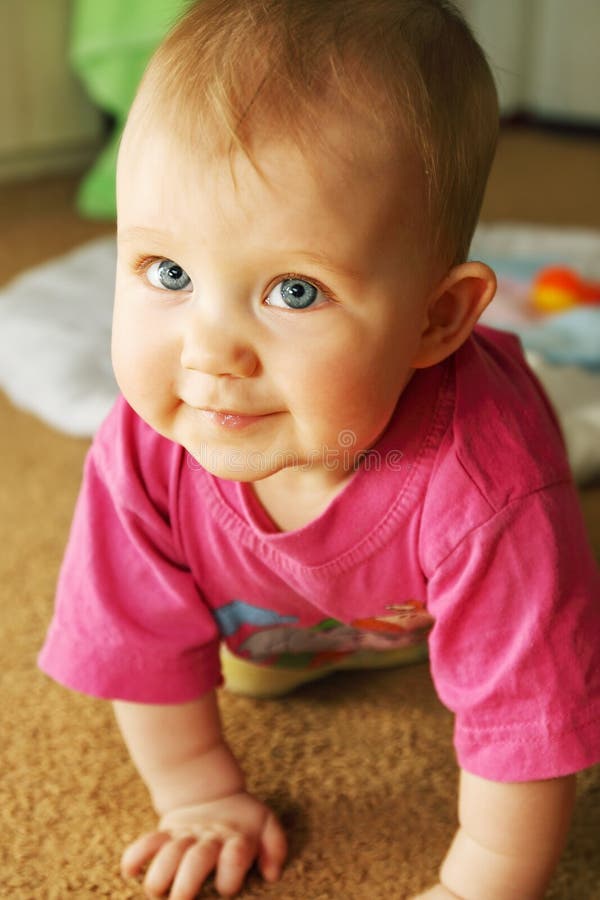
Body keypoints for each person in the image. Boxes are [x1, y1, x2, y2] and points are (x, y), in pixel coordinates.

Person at [38, 0, 600, 897]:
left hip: (427, 584)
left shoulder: (488, 482)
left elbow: (533, 712)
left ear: (437, 317)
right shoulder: (147, 449)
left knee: (528, 618)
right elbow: (133, 639)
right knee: (244, 666)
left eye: (295, 291)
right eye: (169, 274)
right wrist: (198, 796)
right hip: (277, 618)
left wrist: (480, 884)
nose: (211, 354)